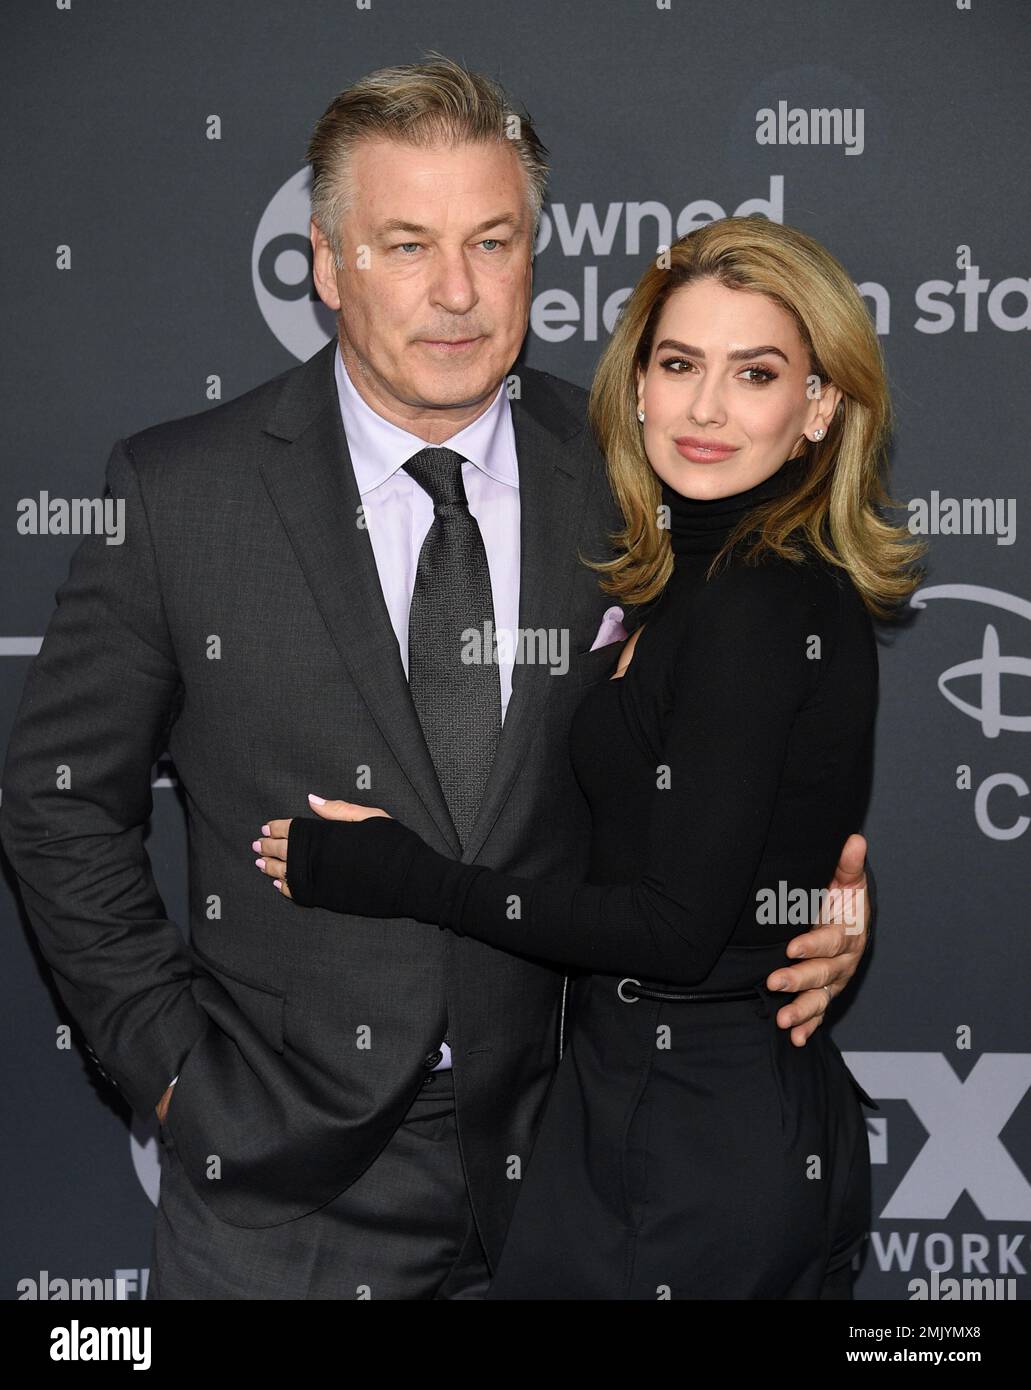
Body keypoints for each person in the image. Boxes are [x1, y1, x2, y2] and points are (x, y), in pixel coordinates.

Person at [0, 56, 876, 1301]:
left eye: (493, 241)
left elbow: (729, 752)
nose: (457, 293)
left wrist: (805, 909)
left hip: (575, 1171)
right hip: (282, 1196)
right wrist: (170, 1067)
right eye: (406, 244)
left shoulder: (641, 475)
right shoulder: (180, 492)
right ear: (323, 261)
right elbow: (56, 799)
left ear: (534, 254)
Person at [258, 214, 923, 1299]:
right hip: (633, 1103)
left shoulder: (758, 605)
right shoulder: (684, 579)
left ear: (817, 408)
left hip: (696, 1142)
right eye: (677, 363)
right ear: (638, 386)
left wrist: (397, 875)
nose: (704, 407)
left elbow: (671, 926)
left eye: (754, 373)